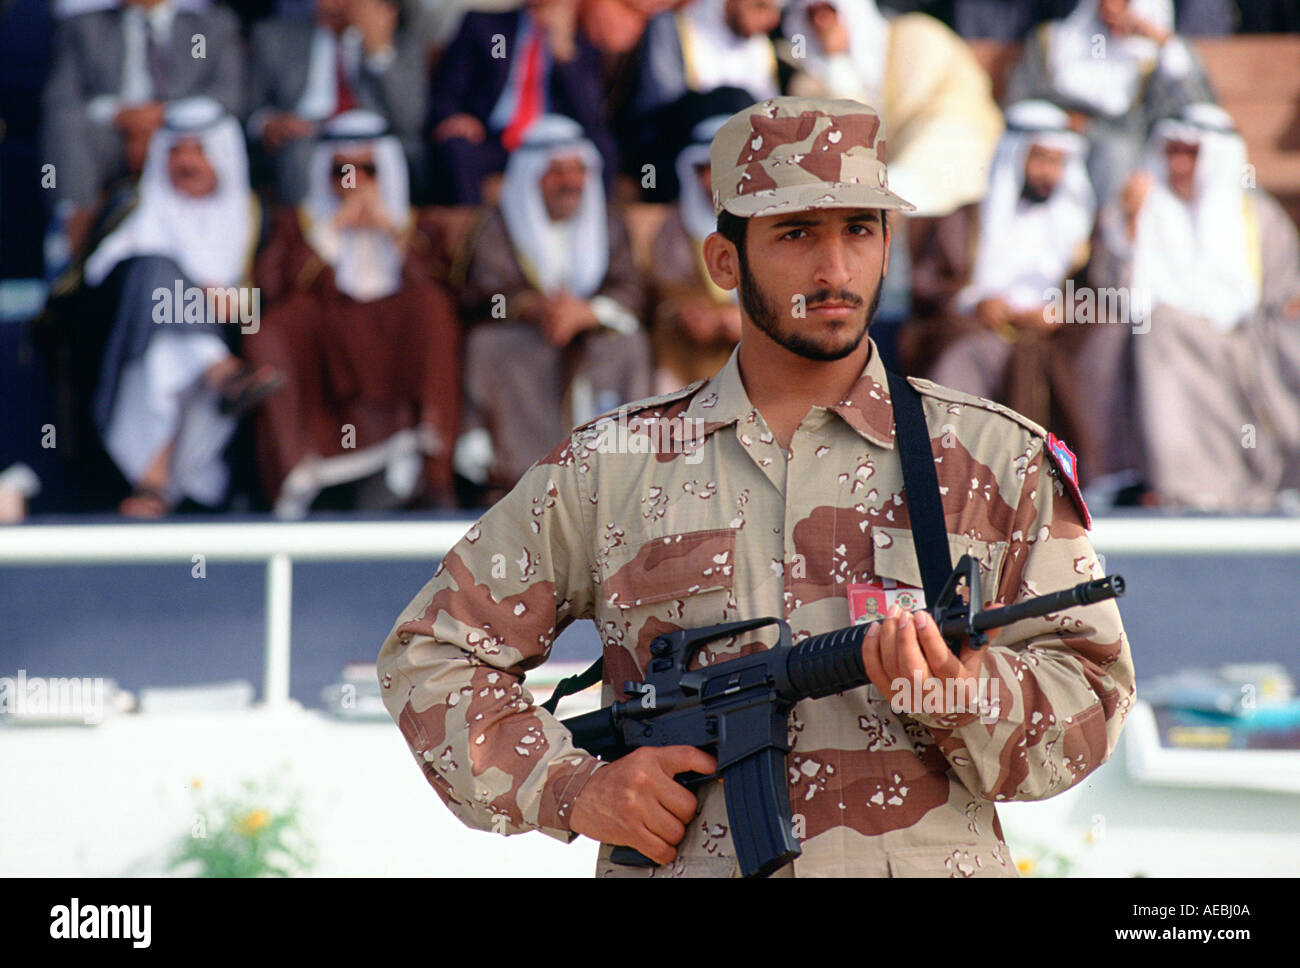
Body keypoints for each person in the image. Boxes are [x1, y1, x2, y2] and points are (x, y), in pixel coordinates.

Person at [379, 96, 1134, 877]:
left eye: (859, 230)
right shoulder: (614, 466)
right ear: (723, 262)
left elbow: (1093, 691)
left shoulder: (991, 456)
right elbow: (429, 653)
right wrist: (575, 787)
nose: (834, 269)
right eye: (796, 233)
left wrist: (965, 692)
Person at [247, 110, 462, 516]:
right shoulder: (299, 224)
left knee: (432, 309)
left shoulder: (418, 226)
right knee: (277, 326)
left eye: (368, 169)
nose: (355, 182)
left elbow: (442, 284)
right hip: (327, 343)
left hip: (395, 338)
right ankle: (299, 476)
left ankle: (433, 474)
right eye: (341, 170)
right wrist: (332, 229)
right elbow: (275, 289)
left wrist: (388, 227)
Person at [1089, 103, 1300, 510]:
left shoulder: (1259, 218)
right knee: (1162, 331)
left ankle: (1266, 478)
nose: (1180, 164)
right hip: (1163, 339)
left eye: (1191, 153)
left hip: (1248, 342)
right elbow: (1113, 291)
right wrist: (1129, 225)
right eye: (1172, 152)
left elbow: (1284, 294)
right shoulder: (1138, 208)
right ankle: (1183, 484)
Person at [76, 97, 277, 517]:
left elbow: (268, 300)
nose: (185, 163)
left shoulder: (254, 216)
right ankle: (219, 372)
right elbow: (94, 285)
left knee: (172, 343)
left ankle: (153, 478)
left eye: (198, 151)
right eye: (176, 151)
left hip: (222, 333)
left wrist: (232, 304)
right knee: (156, 272)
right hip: (131, 341)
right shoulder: (136, 207)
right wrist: (189, 292)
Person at [453, 115, 650, 504]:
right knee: (489, 344)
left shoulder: (608, 221)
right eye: (556, 172)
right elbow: (481, 295)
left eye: (577, 170)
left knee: (630, 342)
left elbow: (632, 290)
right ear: (532, 176)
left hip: (594, 332)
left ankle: (618, 471)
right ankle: (515, 474)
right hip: (526, 335)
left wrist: (586, 312)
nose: (571, 181)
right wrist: (535, 307)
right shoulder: (499, 224)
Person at [926, 100, 1120, 483]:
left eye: (1057, 161)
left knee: (1111, 339)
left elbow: (1103, 291)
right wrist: (978, 303)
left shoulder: (1082, 226)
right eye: (1040, 159)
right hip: (984, 330)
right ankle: (953, 479)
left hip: (1057, 336)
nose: (1049, 172)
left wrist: (1063, 312)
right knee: (965, 356)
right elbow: (930, 287)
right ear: (1015, 156)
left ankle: (1098, 479)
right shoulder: (967, 219)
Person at [42, 0, 245, 255]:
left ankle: (212, 262)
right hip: (110, 135)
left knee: (212, 140)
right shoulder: (85, 27)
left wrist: (163, 119)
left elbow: (228, 96)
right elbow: (61, 99)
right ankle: (72, 242)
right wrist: (121, 115)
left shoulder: (211, 25)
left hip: (182, 136)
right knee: (65, 124)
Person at [778, 0, 1003, 219]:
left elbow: (937, 104)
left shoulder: (915, 34)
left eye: (829, 11)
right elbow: (854, 135)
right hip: (879, 169)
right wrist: (836, 64)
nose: (823, 22)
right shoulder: (810, 83)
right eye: (812, 15)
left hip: (945, 142)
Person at [1005, 0, 1215, 206]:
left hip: (1123, 157)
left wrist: (1164, 41)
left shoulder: (1149, 62)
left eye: (1123, 3)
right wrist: (1058, 121)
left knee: (1117, 152)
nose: (1112, 9)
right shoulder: (1051, 42)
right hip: (1053, 144)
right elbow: (1018, 102)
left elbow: (1197, 108)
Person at [425, 0, 616, 205]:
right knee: (456, 149)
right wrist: (454, 117)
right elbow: (447, 91)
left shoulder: (583, 40)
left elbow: (590, 114)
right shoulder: (485, 25)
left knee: (603, 148)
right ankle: (473, 232)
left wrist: (564, 53)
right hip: (494, 137)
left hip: (551, 143)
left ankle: (595, 233)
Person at [245, 0, 428, 205]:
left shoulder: (401, 44)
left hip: (375, 139)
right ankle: (306, 233)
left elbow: (410, 121)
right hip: (310, 137)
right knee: (301, 156)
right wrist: (269, 123)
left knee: (376, 161)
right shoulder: (274, 37)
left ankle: (380, 232)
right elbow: (250, 109)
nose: (333, 3)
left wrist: (378, 52)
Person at [646, 114, 742, 393]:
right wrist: (696, 315)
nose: (708, 180)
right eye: (701, 169)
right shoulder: (674, 224)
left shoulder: (776, 222)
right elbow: (664, 294)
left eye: (718, 168)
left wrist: (746, 320)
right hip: (690, 346)